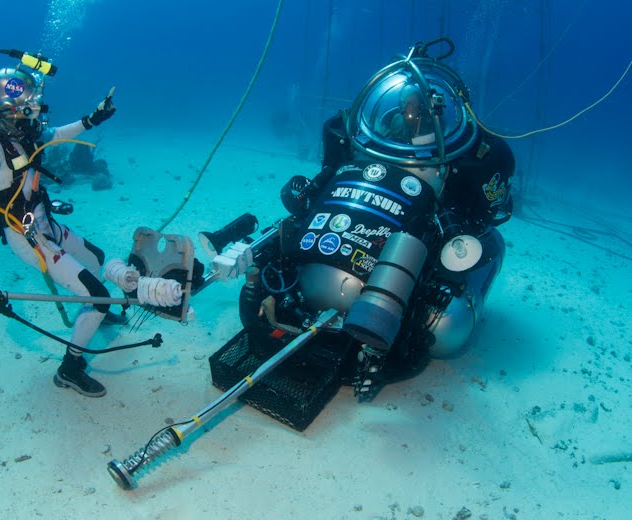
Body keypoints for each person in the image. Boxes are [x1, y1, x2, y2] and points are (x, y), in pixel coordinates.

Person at [209, 38, 515, 422]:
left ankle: (398, 309)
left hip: (416, 224)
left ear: (435, 111)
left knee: (448, 329)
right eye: (406, 105)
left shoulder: (450, 152)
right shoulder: (379, 131)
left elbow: (480, 214)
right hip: (346, 239)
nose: (410, 111)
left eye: (418, 107)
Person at [0, 66, 117, 397]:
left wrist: (92, 119)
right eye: (29, 105)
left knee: (97, 260)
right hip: (27, 238)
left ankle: (93, 317)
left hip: (46, 224)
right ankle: (70, 367)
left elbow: (58, 134)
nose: (36, 111)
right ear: (8, 109)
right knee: (100, 295)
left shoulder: (23, 134)